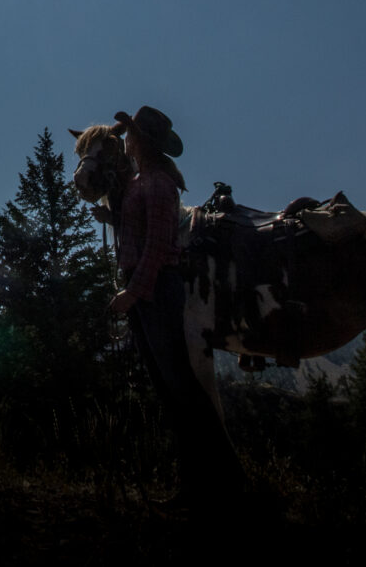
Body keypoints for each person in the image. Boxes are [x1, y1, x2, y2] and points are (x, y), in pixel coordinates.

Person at [108, 105, 241, 500]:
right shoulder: (142, 181)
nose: (125, 140)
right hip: (146, 288)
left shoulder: (159, 185)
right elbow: (140, 228)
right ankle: (198, 483)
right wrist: (111, 219)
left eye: (129, 134)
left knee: (181, 387)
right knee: (170, 391)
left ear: (139, 141)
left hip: (155, 290)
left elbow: (156, 246)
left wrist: (132, 293)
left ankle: (227, 479)